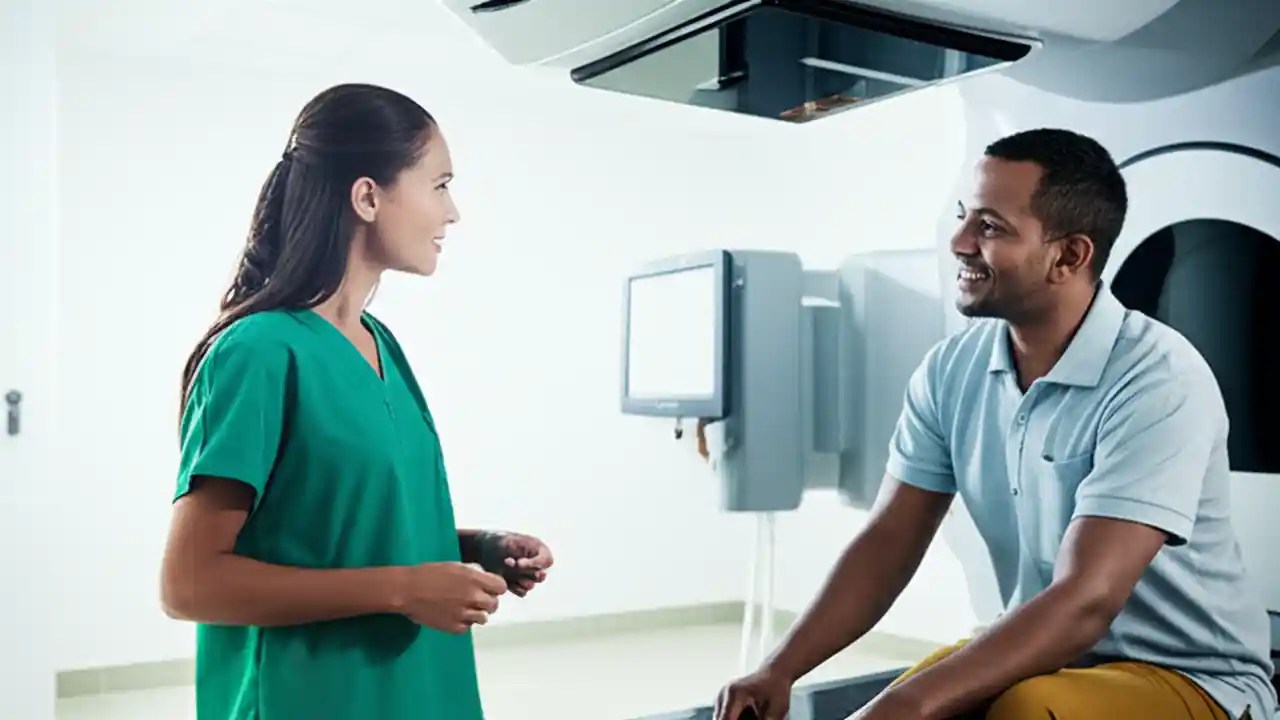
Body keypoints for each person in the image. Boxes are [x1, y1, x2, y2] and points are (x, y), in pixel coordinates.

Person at [714, 128, 1277, 720]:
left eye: (989, 226)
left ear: (1069, 255)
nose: (958, 241)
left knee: (1016, 710)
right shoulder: (951, 369)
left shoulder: (1158, 379)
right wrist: (779, 668)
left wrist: (913, 702)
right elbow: (888, 541)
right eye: (963, 216)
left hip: (1191, 677)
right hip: (1047, 655)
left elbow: (1086, 602)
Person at [160, 83, 554, 720]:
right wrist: (405, 588)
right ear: (369, 196)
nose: (452, 212)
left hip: (420, 692)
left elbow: (336, 526)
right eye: (440, 184)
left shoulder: (380, 345)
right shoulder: (259, 352)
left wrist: (473, 548)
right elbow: (190, 583)